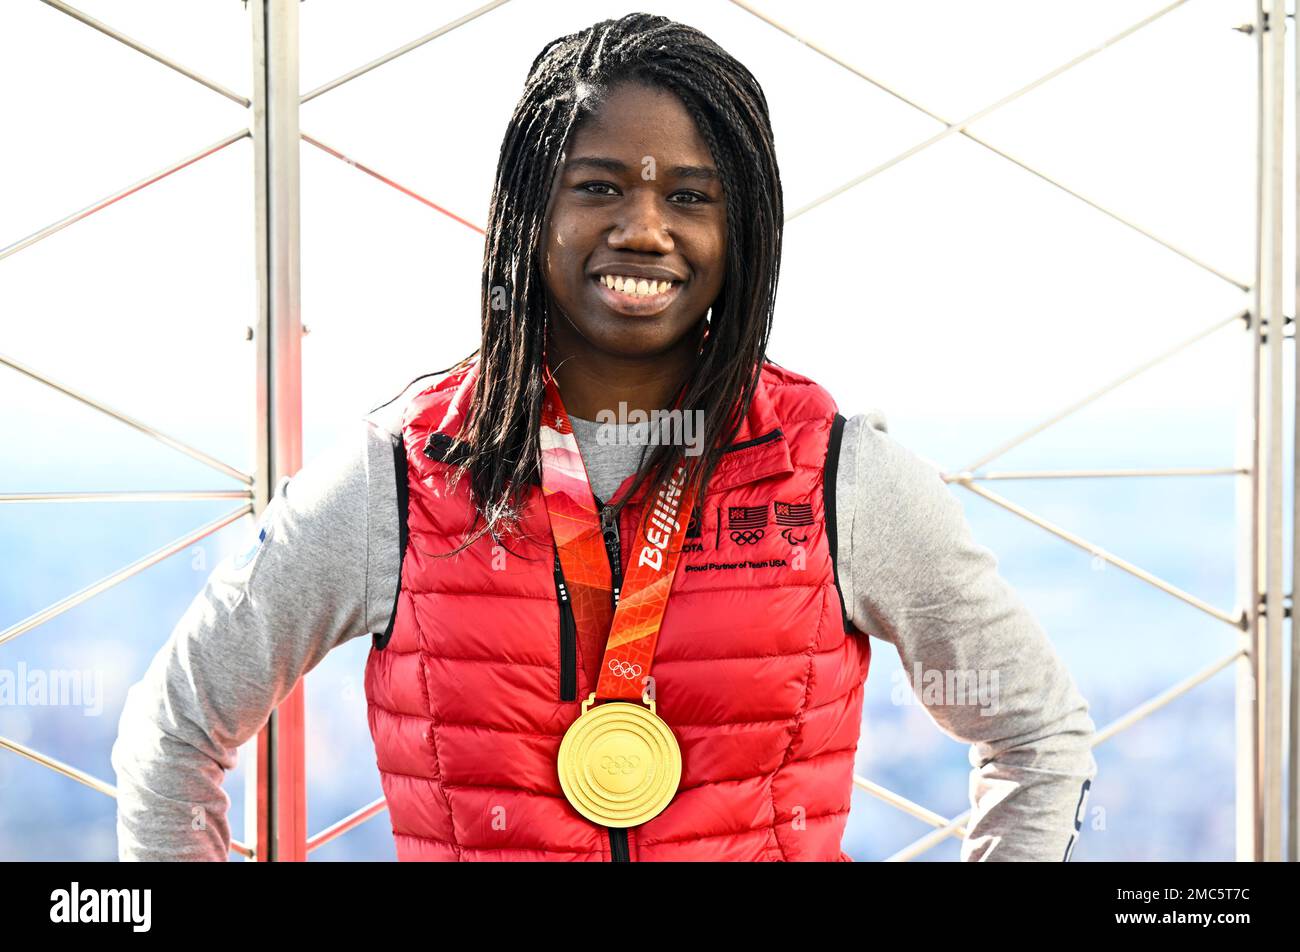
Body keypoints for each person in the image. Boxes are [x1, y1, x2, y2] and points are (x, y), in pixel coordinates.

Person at [111, 13, 1097, 862]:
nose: (642, 228)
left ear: (740, 229)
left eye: (690, 195)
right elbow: (175, 731)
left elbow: (1039, 738)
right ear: (527, 213)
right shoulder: (404, 474)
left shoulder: (836, 474)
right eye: (597, 187)